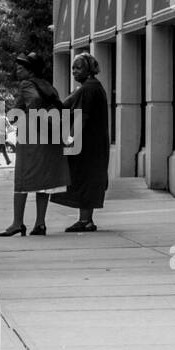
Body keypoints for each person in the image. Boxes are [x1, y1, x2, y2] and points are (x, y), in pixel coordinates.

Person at [0, 52, 69, 236]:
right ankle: (40, 223)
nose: (17, 69)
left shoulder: (26, 84)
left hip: (33, 137)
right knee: (44, 181)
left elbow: (34, 102)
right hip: (49, 136)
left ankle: (17, 223)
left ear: (30, 71)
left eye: (21, 67)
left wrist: (29, 118)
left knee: (22, 178)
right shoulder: (47, 85)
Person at [53, 52, 109, 232]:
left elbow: (81, 118)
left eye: (78, 68)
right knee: (87, 179)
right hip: (94, 143)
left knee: (84, 179)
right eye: (73, 68)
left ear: (89, 69)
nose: (74, 72)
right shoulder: (90, 87)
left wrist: (69, 140)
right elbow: (65, 105)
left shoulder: (87, 89)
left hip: (88, 145)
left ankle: (85, 220)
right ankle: (86, 219)